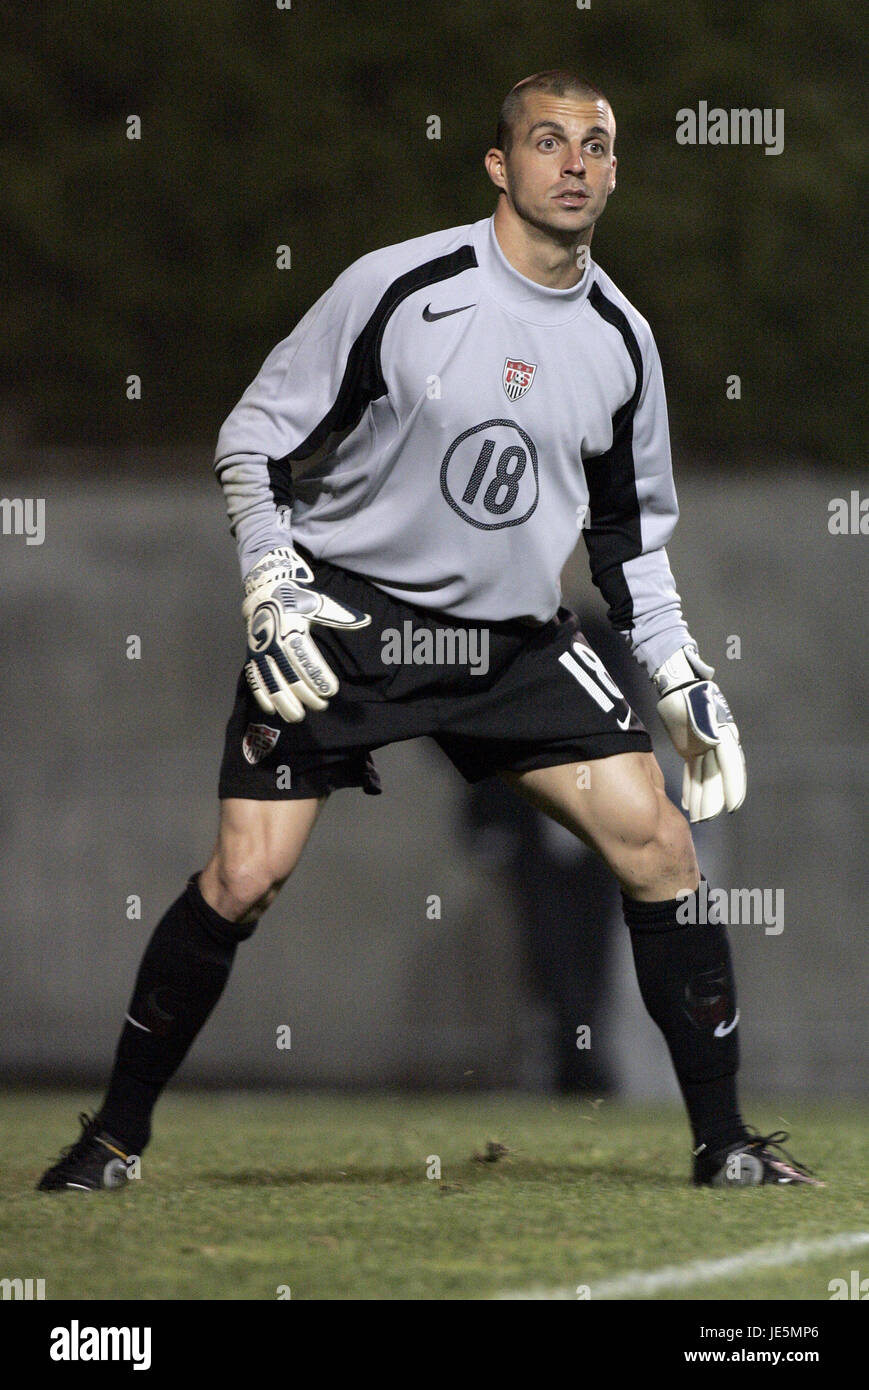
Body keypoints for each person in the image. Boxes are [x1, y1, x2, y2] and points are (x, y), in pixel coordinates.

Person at [39, 70, 819, 1191]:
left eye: (594, 146)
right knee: (244, 875)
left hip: (510, 644)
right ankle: (108, 1141)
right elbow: (252, 435)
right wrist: (267, 574)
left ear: (614, 170)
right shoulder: (401, 286)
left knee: (659, 846)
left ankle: (724, 1144)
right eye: (546, 143)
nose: (572, 164)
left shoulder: (621, 340)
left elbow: (627, 535)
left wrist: (674, 661)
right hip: (345, 619)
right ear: (499, 165)